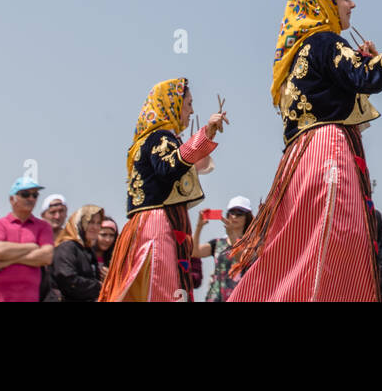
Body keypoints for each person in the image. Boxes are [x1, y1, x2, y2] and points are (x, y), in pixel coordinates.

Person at [229, 0, 382, 302]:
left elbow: (341, 90)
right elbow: (366, 77)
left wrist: (357, 67)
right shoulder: (326, 42)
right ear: (324, 3)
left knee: (297, 255)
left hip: (299, 165)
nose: (352, 4)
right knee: (336, 254)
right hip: (329, 157)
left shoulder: (297, 55)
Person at [98, 78, 226, 302]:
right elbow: (169, 167)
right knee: (164, 289)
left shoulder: (147, 139)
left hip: (146, 222)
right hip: (160, 224)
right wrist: (204, 134)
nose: (191, 110)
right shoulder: (160, 137)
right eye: (188, 103)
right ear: (173, 104)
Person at [0, 177, 54, 302]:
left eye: (35, 195)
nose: (31, 199)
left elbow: (46, 256)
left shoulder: (43, 227)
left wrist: (5, 262)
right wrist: (31, 247)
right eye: (25, 194)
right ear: (12, 199)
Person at [191, 195, 253, 302]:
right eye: (232, 213)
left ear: (247, 217)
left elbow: (243, 260)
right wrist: (199, 226)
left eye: (239, 213)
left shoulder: (252, 243)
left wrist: (232, 236)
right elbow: (194, 252)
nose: (234, 217)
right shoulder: (218, 243)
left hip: (241, 297)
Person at [53, 205, 105, 302]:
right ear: (79, 223)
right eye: (90, 222)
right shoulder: (66, 247)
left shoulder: (87, 250)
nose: (95, 227)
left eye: (98, 223)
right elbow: (68, 281)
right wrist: (98, 286)